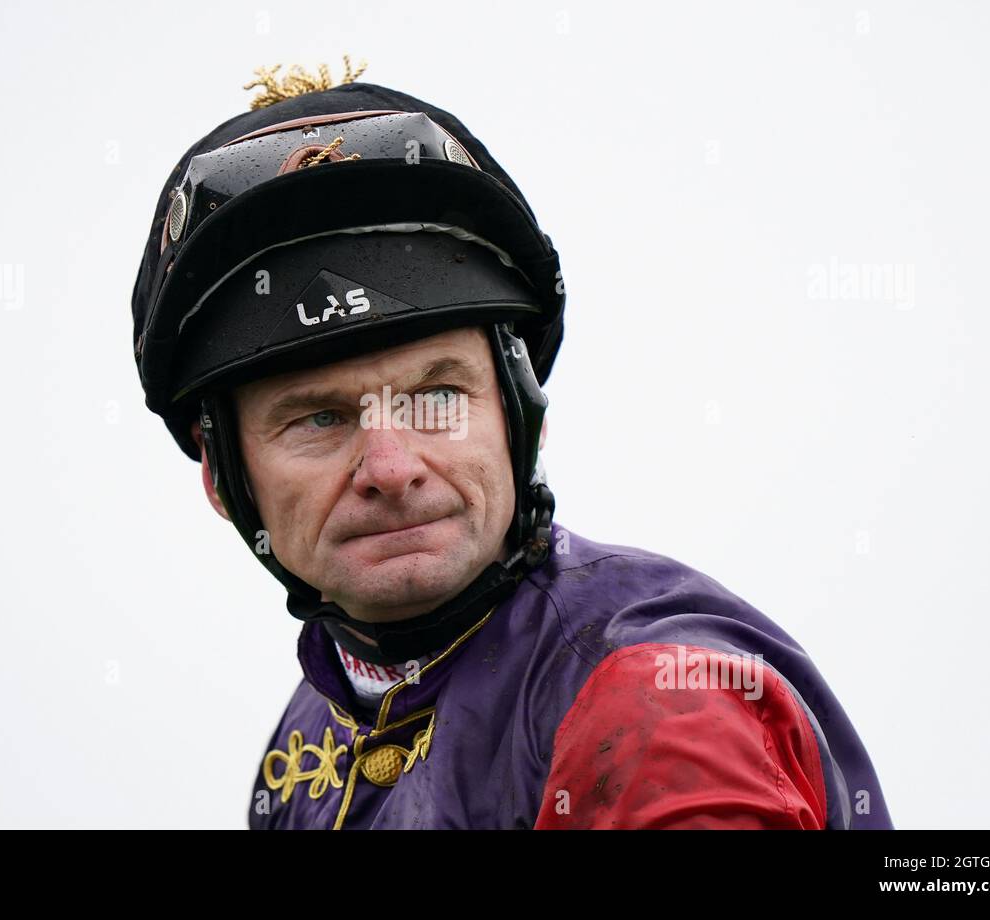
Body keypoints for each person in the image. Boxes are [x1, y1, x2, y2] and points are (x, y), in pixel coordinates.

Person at [129, 58, 893, 830]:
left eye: (436, 397)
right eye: (319, 419)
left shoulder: (658, 699)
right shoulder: (306, 746)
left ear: (522, 419)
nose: (392, 469)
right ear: (226, 483)